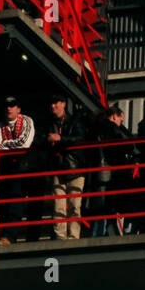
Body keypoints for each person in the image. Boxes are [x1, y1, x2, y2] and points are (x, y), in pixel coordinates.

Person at [0, 96, 36, 244]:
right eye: (7, 106)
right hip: (4, 169)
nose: (9, 108)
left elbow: (25, 143)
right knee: (2, 203)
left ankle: (10, 236)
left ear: (19, 109)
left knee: (17, 202)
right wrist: (11, 146)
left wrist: (5, 145)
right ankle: (5, 236)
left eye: (12, 105)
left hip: (23, 169)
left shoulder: (27, 121)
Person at [43, 94, 88, 240]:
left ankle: (73, 236)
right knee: (58, 205)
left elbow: (81, 139)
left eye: (56, 103)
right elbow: (39, 139)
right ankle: (60, 237)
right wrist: (47, 140)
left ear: (63, 104)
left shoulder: (75, 120)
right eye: (51, 104)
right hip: (59, 167)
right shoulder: (49, 123)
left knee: (74, 205)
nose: (53, 106)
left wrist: (60, 139)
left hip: (74, 167)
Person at [89, 105, 135, 237]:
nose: (121, 123)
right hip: (108, 172)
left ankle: (98, 234)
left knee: (100, 208)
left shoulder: (96, 127)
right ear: (115, 116)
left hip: (97, 171)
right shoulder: (111, 128)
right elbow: (121, 146)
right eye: (121, 119)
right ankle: (100, 236)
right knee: (105, 207)